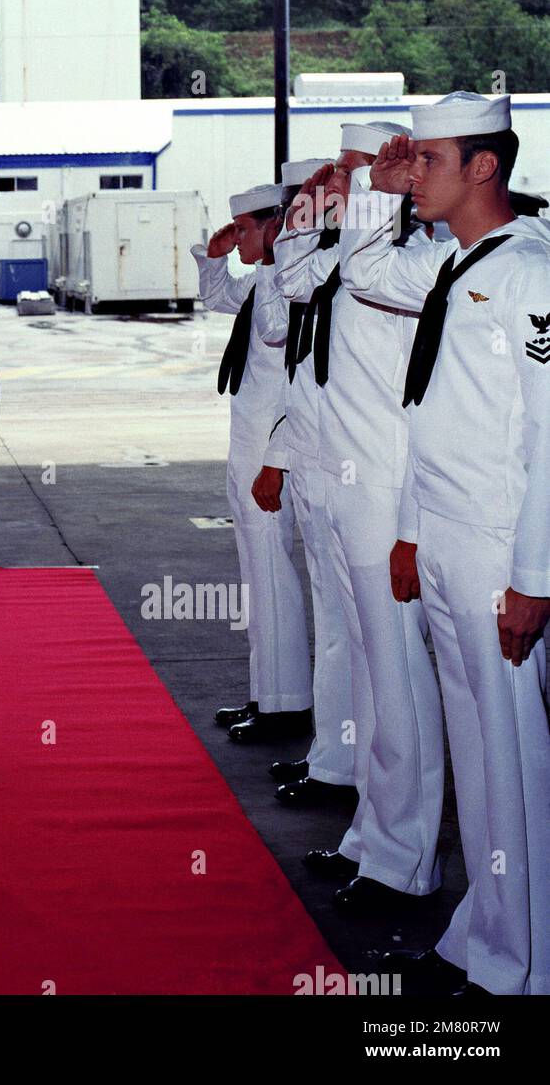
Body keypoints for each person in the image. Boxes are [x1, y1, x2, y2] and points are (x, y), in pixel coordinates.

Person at [342, 91, 550, 996]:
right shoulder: (460, 264)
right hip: (447, 544)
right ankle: (487, 935)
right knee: (479, 763)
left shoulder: (530, 274)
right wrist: (371, 191)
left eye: (428, 160)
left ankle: (522, 968)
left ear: (484, 168)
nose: (413, 174)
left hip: (502, 555)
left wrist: (535, 577)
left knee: (515, 767)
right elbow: (359, 275)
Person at [270, 122, 447, 923]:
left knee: (400, 682)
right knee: (375, 675)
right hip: (341, 482)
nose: (334, 185)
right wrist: (309, 215)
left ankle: (404, 861)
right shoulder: (351, 249)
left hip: (389, 488)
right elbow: (293, 294)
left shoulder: (423, 258)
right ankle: (372, 837)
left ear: (397, 173)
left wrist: (372, 198)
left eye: (353, 172)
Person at [193, 185, 313, 743]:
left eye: (245, 227)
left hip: (272, 455)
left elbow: (289, 366)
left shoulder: (291, 283)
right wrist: (214, 257)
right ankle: (267, 692)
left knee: (272, 577)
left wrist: (273, 462)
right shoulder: (269, 276)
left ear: (276, 225)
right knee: (256, 577)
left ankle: (286, 705)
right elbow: (218, 299)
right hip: (249, 449)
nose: (237, 234)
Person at [253, 157, 355, 808]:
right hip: (317, 465)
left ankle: (363, 777)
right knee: (339, 632)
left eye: (328, 186)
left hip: (359, 475)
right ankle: (334, 762)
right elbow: (279, 329)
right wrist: (299, 226)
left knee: (373, 647)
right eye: (303, 194)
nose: (315, 197)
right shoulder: (323, 254)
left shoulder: (375, 259)